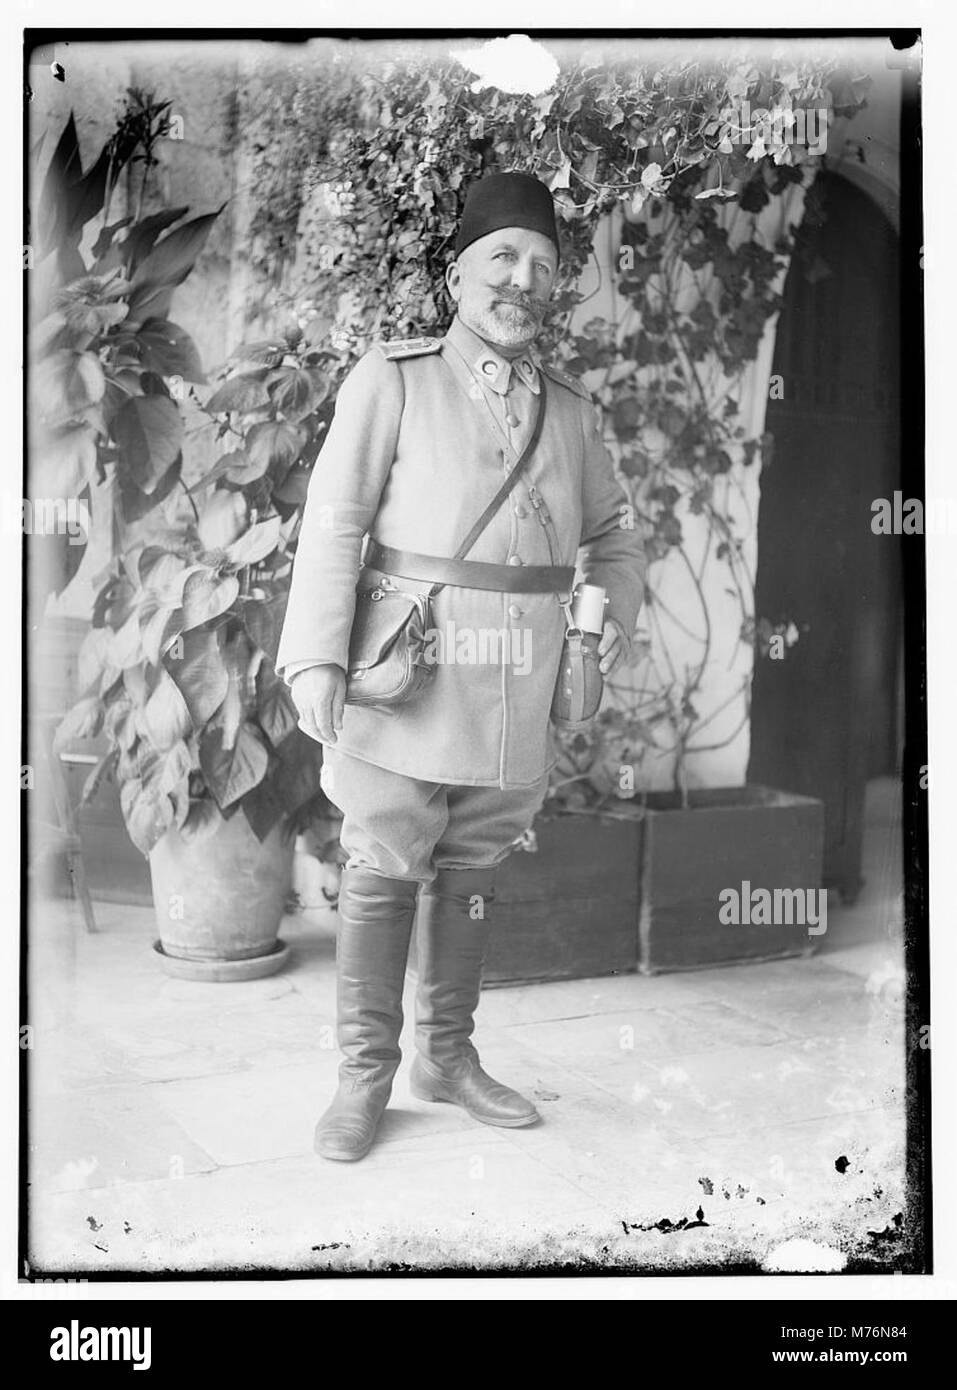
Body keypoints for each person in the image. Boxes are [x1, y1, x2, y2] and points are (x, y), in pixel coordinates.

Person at [278, 170, 646, 1161]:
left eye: (541, 265)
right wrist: (316, 652)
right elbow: (334, 522)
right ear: (457, 276)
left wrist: (612, 618)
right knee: (385, 857)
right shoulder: (392, 380)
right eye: (502, 259)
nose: (521, 280)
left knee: (475, 863)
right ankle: (364, 1075)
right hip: (407, 673)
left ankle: (447, 1055)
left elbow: (613, 536)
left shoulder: (572, 413)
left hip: (515, 689)